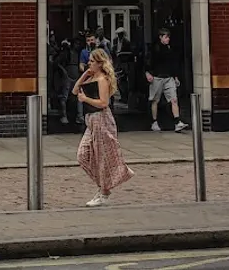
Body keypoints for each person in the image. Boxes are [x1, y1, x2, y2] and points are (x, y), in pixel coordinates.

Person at [73, 48, 133, 206]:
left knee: (102, 157)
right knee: (82, 155)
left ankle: (104, 191)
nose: (89, 63)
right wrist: (84, 75)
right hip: (91, 122)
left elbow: (103, 103)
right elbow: (74, 90)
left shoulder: (102, 80)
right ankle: (104, 186)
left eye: (92, 61)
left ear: (100, 63)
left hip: (101, 119)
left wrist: (86, 99)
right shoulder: (91, 77)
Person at [146, 29, 188, 131]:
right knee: (155, 100)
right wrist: (147, 73)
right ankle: (154, 122)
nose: (168, 39)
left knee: (174, 99)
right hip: (157, 77)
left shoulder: (170, 48)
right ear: (160, 37)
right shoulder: (154, 49)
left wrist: (175, 76)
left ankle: (177, 122)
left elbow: (172, 64)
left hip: (169, 77)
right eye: (166, 37)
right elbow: (148, 61)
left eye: (168, 37)